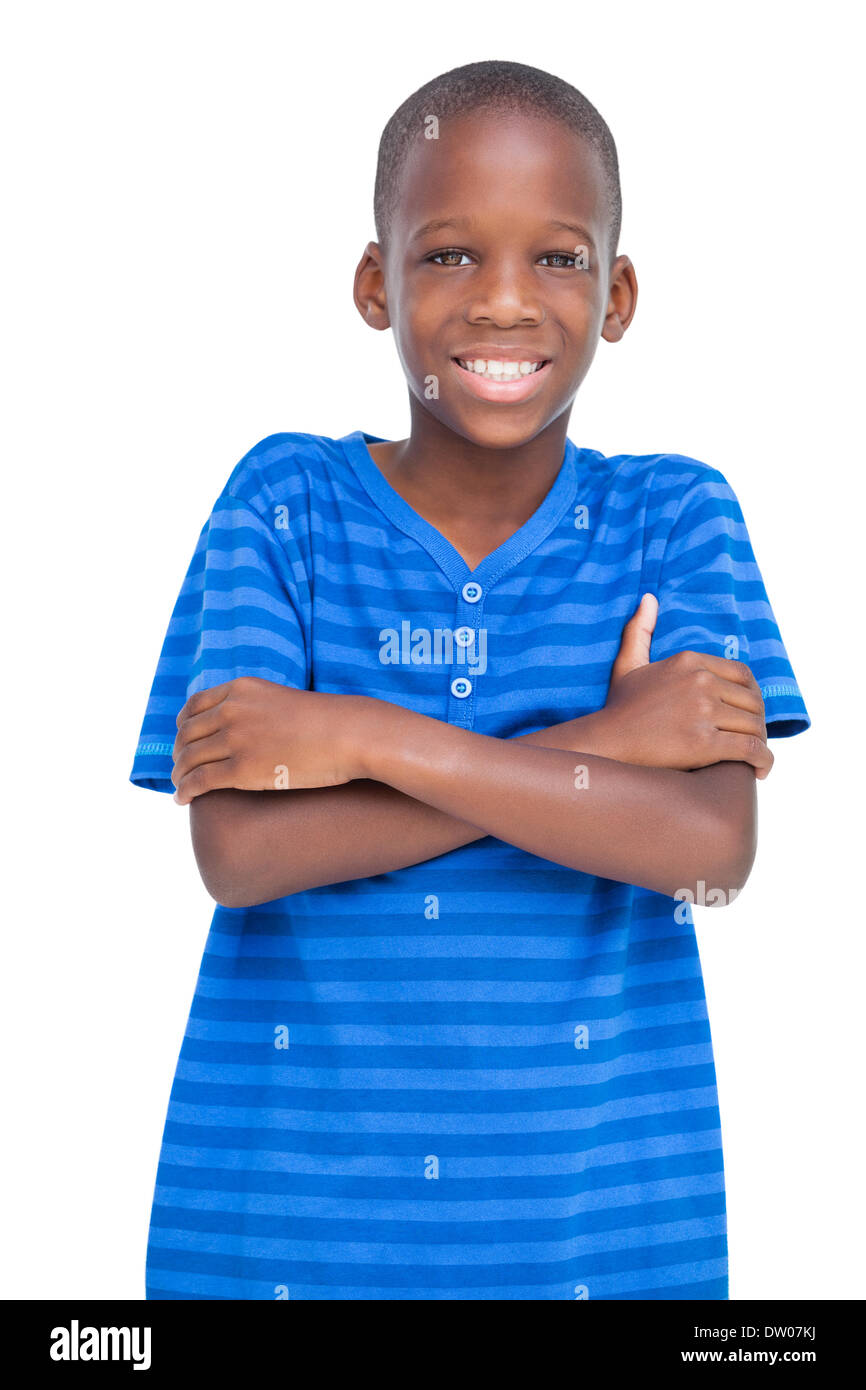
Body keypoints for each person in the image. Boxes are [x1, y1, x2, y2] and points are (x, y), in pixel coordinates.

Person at [130, 59, 810, 1301]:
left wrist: (361, 737)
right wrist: (606, 741)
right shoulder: (282, 504)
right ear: (373, 281)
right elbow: (240, 853)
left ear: (614, 295)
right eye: (448, 255)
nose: (503, 302)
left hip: (598, 1236)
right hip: (286, 1228)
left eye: (554, 259)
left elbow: (710, 847)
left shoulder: (673, 515)